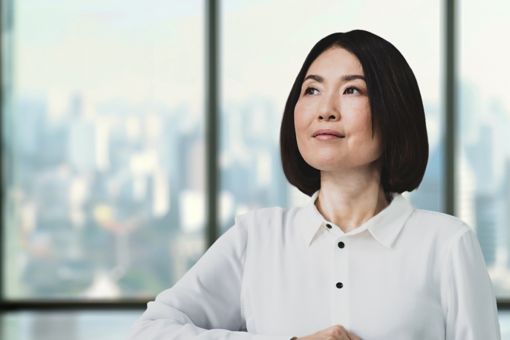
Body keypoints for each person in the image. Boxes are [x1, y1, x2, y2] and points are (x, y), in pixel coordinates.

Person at [129, 30, 501, 340]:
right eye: (311, 90)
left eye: (352, 90)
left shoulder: (447, 244)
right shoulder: (257, 237)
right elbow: (150, 331)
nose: (326, 109)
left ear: (394, 111)